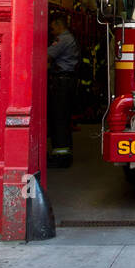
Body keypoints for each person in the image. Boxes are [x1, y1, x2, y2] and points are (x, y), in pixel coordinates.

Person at [47, 15, 80, 168]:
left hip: (62, 82)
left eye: (53, 28)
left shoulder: (62, 40)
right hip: (67, 81)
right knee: (63, 118)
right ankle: (64, 152)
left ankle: (61, 156)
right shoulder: (69, 38)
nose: (52, 32)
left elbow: (46, 55)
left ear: (60, 26)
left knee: (59, 118)